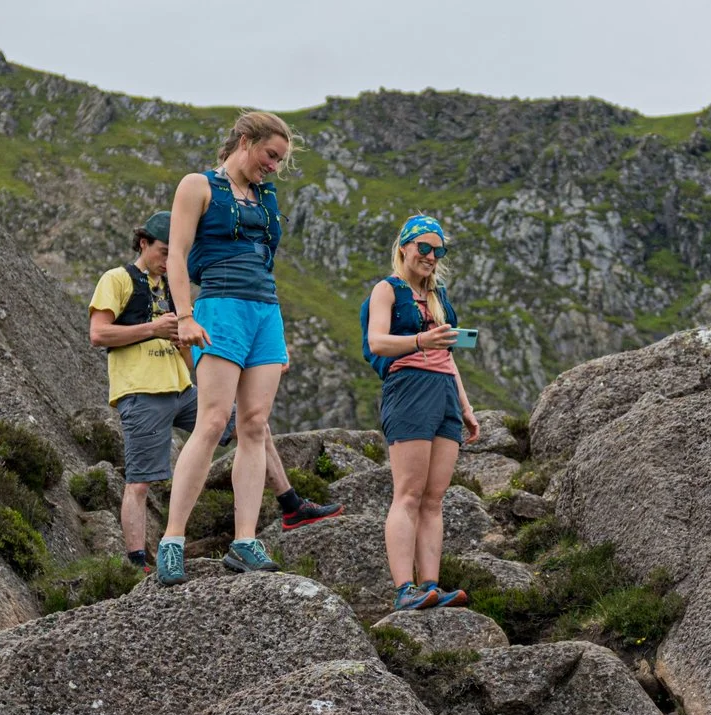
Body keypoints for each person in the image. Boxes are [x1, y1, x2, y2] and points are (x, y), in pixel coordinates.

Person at [87, 210, 338, 567]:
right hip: (141, 390)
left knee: (252, 424)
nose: (169, 260)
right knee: (141, 481)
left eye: (176, 254)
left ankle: (291, 503)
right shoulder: (118, 279)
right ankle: (137, 560)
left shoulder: (175, 287)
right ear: (143, 243)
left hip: (183, 388)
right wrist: (153, 329)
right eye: (163, 251)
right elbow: (98, 334)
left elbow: (189, 344)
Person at [155, 110, 300, 585]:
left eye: (280, 160)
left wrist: (277, 336)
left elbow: (268, 264)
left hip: (265, 310)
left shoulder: (265, 197)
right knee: (214, 420)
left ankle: (244, 541)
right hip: (219, 306)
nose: (274, 166)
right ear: (244, 141)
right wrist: (184, 316)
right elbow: (176, 255)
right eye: (270, 155)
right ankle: (172, 539)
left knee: (254, 425)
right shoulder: (198, 185)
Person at [363, 214, 481, 610]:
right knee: (409, 493)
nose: (430, 256)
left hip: (444, 392)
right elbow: (377, 341)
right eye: (424, 248)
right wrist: (420, 339)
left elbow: (448, 356)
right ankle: (404, 589)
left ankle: (431, 584)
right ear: (405, 248)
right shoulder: (388, 289)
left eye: (438, 250)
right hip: (409, 387)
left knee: (434, 497)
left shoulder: (439, 297)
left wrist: (465, 406)